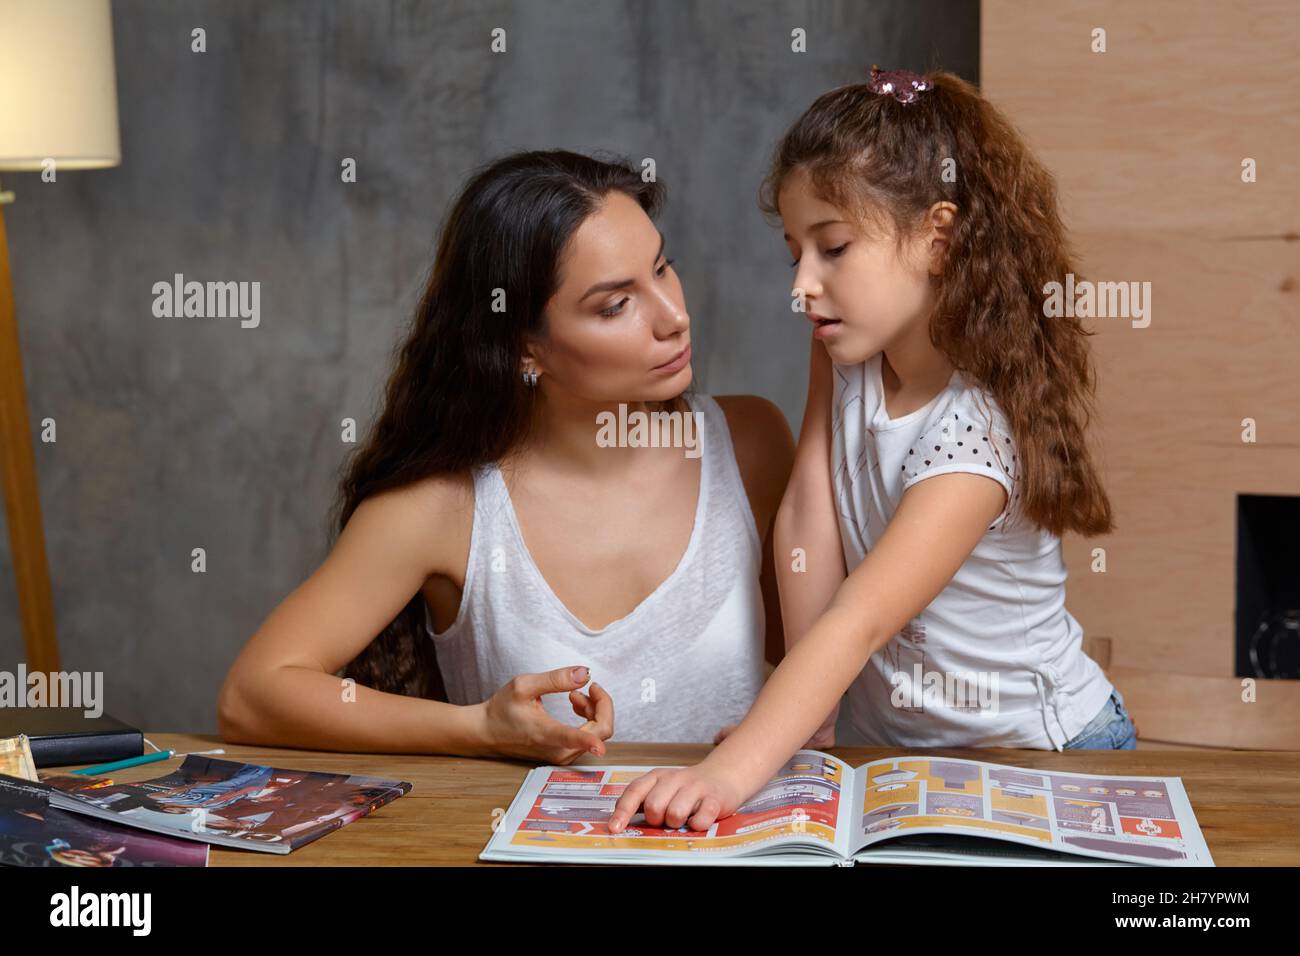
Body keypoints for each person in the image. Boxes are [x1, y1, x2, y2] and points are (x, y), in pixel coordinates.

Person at [609, 67, 1133, 834]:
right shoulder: (846, 351)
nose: (802, 286)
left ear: (939, 240)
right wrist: (809, 712)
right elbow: (808, 510)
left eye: (834, 248)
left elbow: (862, 616)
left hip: (1036, 754)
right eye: (795, 253)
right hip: (892, 757)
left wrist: (728, 771)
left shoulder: (975, 432)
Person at [218, 149, 793, 763]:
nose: (674, 317)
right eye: (615, 305)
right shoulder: (444, 506)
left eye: (661, 268)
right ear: (525, 349)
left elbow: (812, 659)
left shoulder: (750, 442)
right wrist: (481, 729)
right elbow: (252, 694)